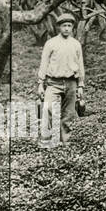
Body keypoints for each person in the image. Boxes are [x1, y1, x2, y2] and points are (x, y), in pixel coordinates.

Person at [37, 12, 85, 147]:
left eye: (69, 26)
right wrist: (40, 84)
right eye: (64, 25)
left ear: (72, 28)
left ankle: (66, 142)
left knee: (68, 115)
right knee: (49, 111)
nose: (67, 28)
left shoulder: (76, 44)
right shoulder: (51, 43)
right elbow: (44, 64)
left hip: (71, 83)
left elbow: (80, 65)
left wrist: (81, 85)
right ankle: (47, 142)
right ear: (59, 27)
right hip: (53, 82)